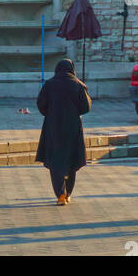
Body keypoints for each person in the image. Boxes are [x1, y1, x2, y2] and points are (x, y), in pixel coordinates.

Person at [36, 58, 92, 205]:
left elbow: (41, 104)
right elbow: (86, 107)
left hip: (53, 126)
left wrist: (51, 113)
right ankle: (68, 193)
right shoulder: (78, 85)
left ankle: (60, 194)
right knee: (71, 159)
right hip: (72, 126)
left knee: (56, 160)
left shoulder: (49, 84)